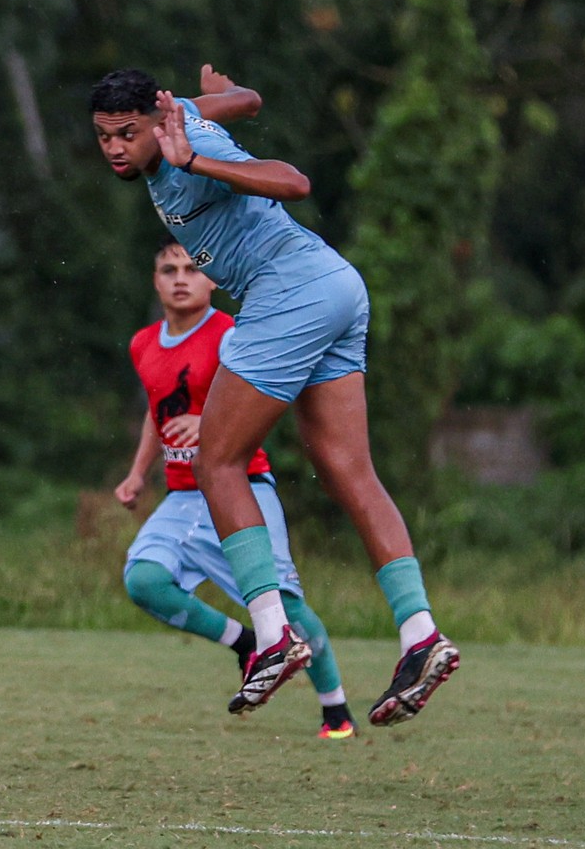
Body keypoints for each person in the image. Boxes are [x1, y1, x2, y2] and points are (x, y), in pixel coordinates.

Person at [89, 65, 459, 727]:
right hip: (335, 285)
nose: (115, 148)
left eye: (125, 133)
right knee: (348, 470)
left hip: (288, 292)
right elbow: (248, 99)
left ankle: (272, 631)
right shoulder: (173, 117)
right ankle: (420, 634)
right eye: (103, 136)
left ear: (154, 120)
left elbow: (293, 181)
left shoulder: (186, 150)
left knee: (217, 462)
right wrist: (224, 96)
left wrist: (197, 156)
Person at [116, 235, 357, 739]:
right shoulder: (143, 343)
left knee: (287, 606)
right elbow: (156, 411)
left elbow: (263, 399)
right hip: (184, 497)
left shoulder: (230, 334)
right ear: (155, 281)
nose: (181, 278)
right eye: (168, 270)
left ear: (212, 279)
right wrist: (139, 472)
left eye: (191, 268)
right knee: (144, 580)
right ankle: (244, 643)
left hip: (240, 487)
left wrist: (207, 422)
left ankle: (335, 710)